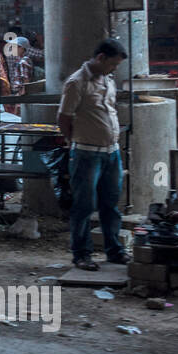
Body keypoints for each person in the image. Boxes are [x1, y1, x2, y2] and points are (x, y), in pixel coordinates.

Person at [58, 38, 131, 271]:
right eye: (113, 64)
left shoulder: (108, 79)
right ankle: (81, 254)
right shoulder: (76, 83)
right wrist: (74, 142)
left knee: (111, 205)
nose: (115, 69)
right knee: (84, 206)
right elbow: (64, 118)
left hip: (112, 153)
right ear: (101, 58)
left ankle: (114, 251)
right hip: (86, 153)